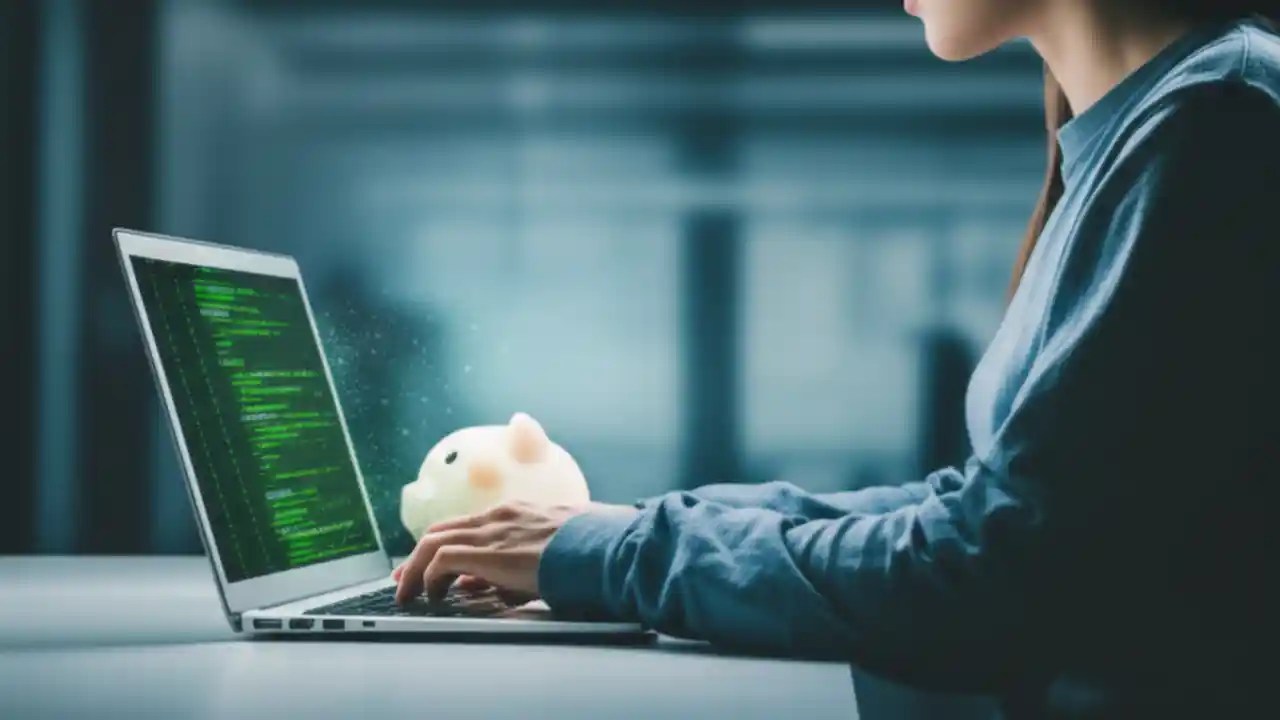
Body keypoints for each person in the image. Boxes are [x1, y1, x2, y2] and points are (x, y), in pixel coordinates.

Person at [393, 1, 1280, 716]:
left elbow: (985, 571)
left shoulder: (1216, 134)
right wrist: (615, 534)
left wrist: (619, 552)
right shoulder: (1163, 128)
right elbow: (983, 509)